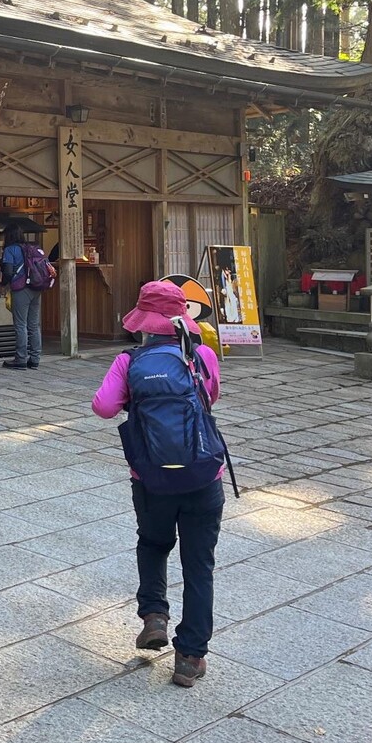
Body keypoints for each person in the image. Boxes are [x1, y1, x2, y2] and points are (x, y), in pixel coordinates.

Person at [91, 280, 226, 689]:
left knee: (152, 544)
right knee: (199, 564)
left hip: (150, 478)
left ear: (143, 322)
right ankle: (189, 658)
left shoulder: (128, 361)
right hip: (203, 475)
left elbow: (103, 407)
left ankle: (154, 615)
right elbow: (212, 397)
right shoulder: (200, 355)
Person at [0, 221, 41, 369]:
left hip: (20, 289)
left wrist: (3, 284)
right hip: (35, 288)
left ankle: (21, 358)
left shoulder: (10, 250)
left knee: (20, 324)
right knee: (34, 325)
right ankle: (35, 358)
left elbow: (8, 271)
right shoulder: (29, 247)